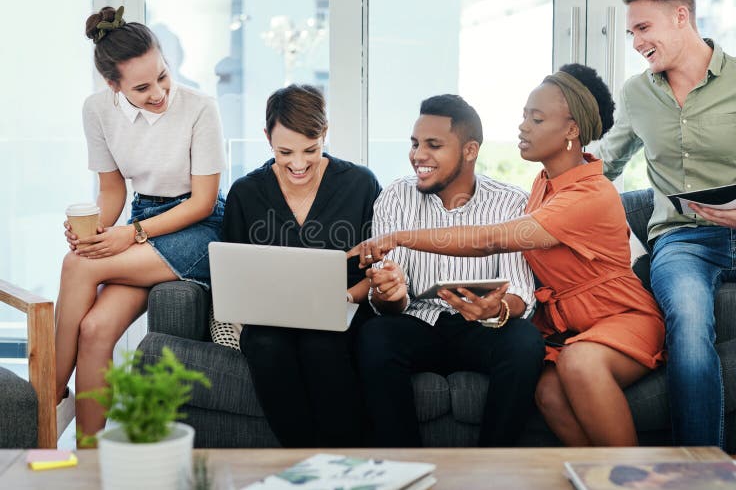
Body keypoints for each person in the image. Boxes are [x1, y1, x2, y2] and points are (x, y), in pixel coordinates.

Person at [352, 68, 664, 447]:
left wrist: (398, 237)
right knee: (548, 393)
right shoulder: (541, 185)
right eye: (524, 116)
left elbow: (491, 240)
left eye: (536, 119)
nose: (522, 127)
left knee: (577, 364)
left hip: (616, 315)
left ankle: (634, 480)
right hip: (568, 326)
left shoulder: (589, 194)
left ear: (571, 130)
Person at [595, 0, 736, 448]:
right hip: (681, 241)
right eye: (631, 33)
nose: (637, 43)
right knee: (688, 330)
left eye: (644, 28)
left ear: (681, 17)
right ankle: (696, 476)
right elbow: (604, 162)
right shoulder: (637, 94)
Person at [57, 6, 226, 440]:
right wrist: (94, 231)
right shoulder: (96, 110)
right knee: (95, 331)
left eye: (163, 76)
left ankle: (48, 390)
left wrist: (127, 236)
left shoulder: (200, 108)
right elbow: (112, 190)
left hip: (197, 225)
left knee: (78, 265)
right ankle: (90, 457)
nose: (159, 93)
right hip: (144, 217)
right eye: (142, 87)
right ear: (113, 85)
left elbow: (204, 202)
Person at [348, 94, 543, 447]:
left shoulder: (511, 201)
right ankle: (405, 468)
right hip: (417, 323)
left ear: (470, 151)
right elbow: (388, 302)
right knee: (375, 336)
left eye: (433, 145)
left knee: (525, 343)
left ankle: (492, 467)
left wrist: (496, 309)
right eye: (415, 143)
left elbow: (521, 298)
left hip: (481, 327)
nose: (418, 155)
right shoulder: (395, 196)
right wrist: (390, 293)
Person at [221, 84, 381, 447]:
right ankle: (304, 462)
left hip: (346, 311)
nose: (298, 164)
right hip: (268, 321)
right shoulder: (247, 193)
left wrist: (346, 298)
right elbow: (231, 275)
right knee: (266, 346)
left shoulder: (360, 184)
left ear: (325, 133)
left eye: (310, 150)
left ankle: (343, 460)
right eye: (284, 152)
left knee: (322, 344)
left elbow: (380, 270)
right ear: (266, 138)